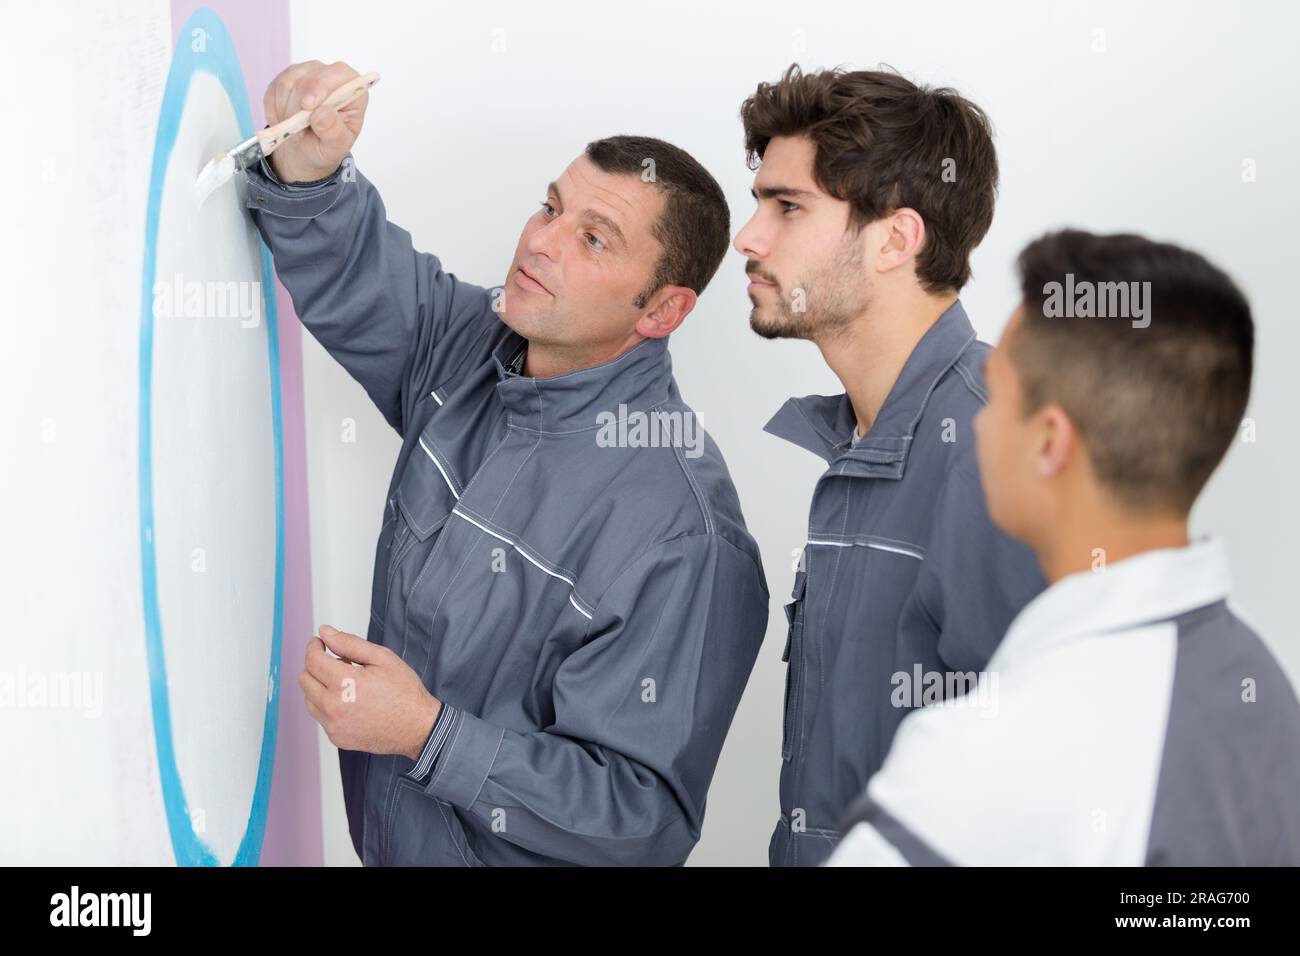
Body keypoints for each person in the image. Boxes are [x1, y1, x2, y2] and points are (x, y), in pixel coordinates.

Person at [250, 60, 768, 866]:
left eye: (592, 238)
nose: (541, 242)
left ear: (663, 310)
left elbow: (642, 820)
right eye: (551, 207)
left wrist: (426, 734)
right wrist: (311, 159)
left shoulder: (685, 538)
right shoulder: (473, 352)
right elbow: (357, 268)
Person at [828, 229, 1300, 865]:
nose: (979, 420)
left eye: (997, 393)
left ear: (1049, 443)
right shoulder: (1259, 686)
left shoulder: (982, 760)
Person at [734, 64, 1045, 867]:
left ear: (895, 239)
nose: (749, 237)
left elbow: (1061, 796)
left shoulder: (994, 457)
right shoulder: (859, 444)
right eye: (759, 200)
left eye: (787, 206)